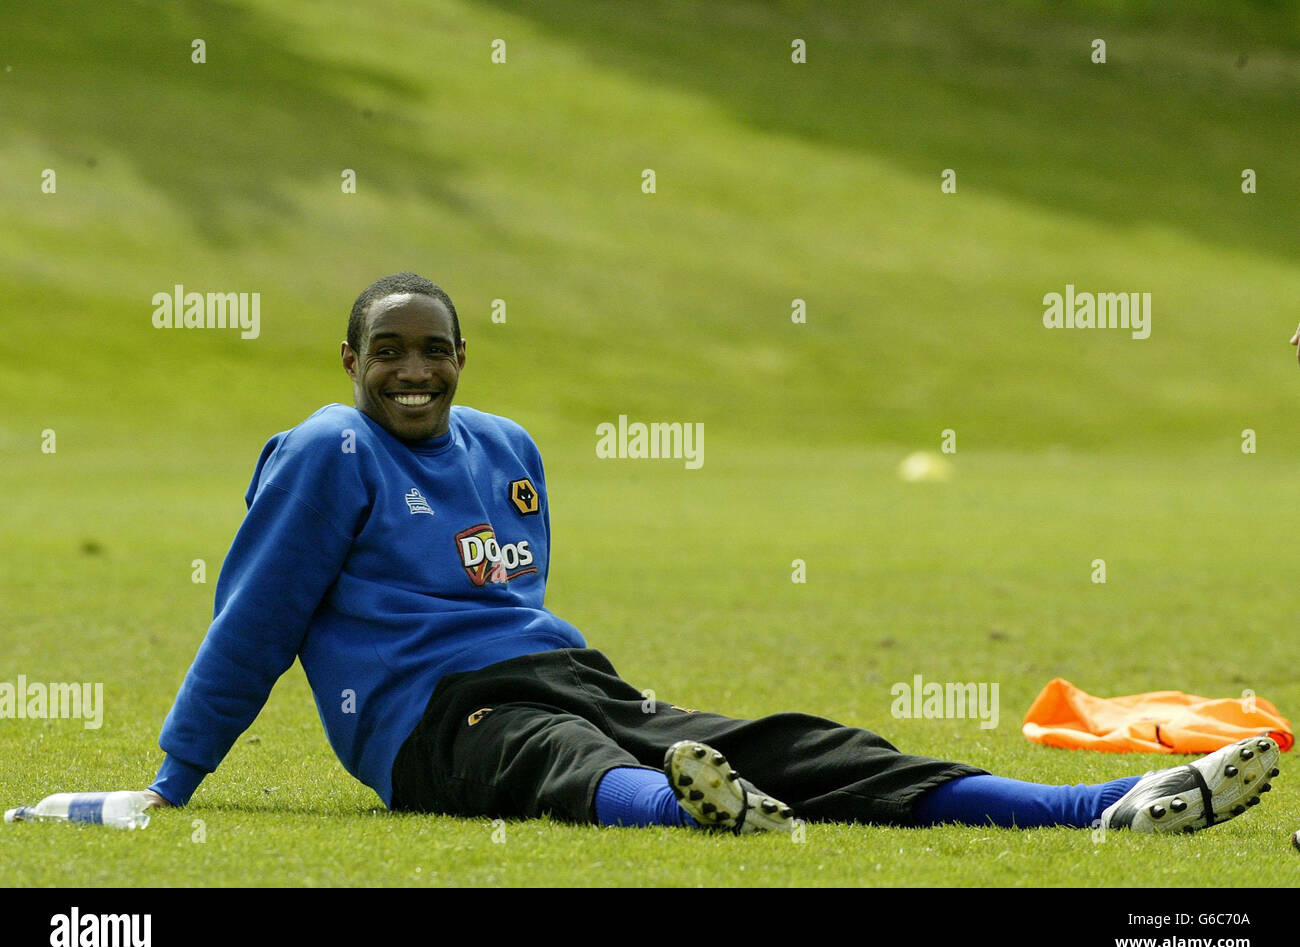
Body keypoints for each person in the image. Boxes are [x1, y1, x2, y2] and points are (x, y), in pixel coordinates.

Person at [139, 272, 1280, 836]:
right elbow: (256, 615)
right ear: (348, 358)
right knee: (553, 753)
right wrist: (170, 783)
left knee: (788, 741)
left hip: (558, 668)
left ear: (463, 356)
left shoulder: (509, 445)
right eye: (387, 350)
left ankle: (1093, 806)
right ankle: (697, 814)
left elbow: (519, 600)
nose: (412, 370)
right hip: (430, 723)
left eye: (432, 349)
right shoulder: (326, 448)